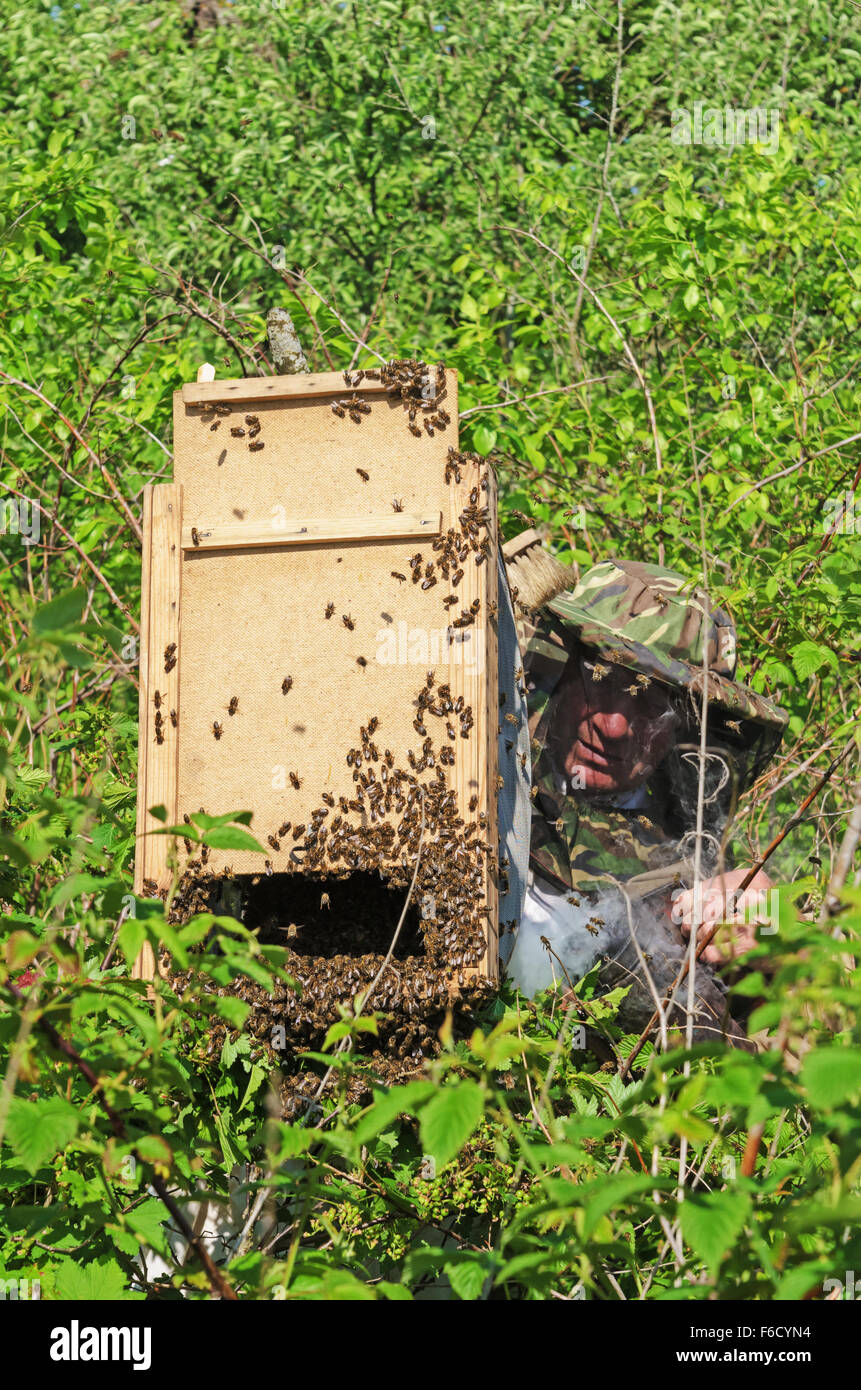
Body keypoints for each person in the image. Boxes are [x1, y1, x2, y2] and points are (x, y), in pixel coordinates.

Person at [496, 556, 788, 1048]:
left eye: (652, 701)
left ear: (685, 722)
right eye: (601, 679)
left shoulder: (682, 849)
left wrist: (780, 933)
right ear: (563, 664)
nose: (613, 726)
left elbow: (802, 1053)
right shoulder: (486, 774)